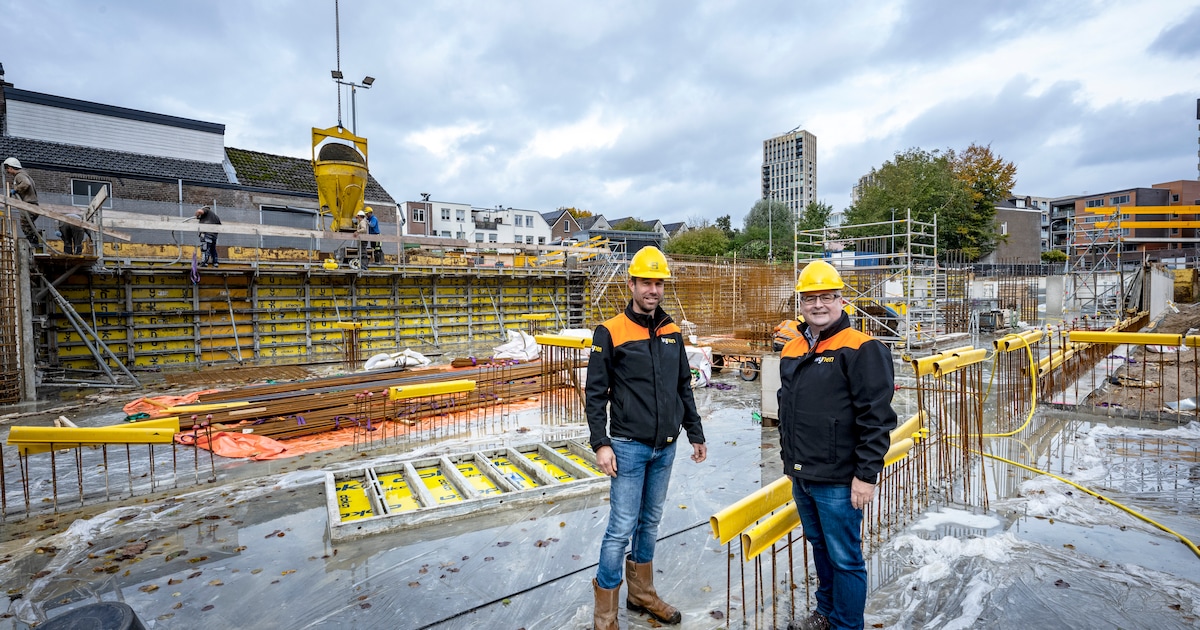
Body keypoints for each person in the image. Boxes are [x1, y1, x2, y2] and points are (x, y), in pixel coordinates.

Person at [585, 245, 707, 630]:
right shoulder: (610, 332)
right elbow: (595, 393)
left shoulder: (672, 332)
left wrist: (695, 432)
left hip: (665, 447)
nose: (653, 290)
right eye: (646, 283)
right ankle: (605, 615)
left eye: (659, 283)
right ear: (632, 284)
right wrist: (601, 443)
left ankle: (641, 594)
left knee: (650, 521)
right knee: (621, 527)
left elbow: (683, 386)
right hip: (628, 446)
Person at [778, 260, 896, 630]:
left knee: (845, 558)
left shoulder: (862, 348)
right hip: (803, 474)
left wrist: (866, 475)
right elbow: (787, 408)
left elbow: (876, 417)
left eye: (826, 297)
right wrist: (789, 460)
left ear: (841, 300)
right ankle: (826, 613)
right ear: (801, 303)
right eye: (810, 298)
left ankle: (846, 625)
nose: (818, 305)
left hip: (840, 479)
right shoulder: (792, 348)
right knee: (821, 548)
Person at [3, 157, 40, 248]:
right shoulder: (25, 175)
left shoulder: (19, 176)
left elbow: (26, 184)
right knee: (29, 225)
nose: (8, 172)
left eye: (8, 169)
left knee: (25, 225)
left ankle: (34, 244)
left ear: (10, 168)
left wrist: (16, 189)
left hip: (29, 205)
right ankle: (35, 243)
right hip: (33, 205)